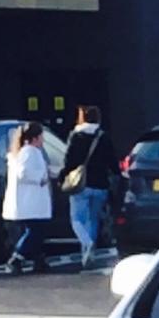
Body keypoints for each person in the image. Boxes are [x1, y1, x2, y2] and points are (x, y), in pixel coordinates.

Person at [61, 105, 112, 270]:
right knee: (93, 220)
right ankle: (87, 255)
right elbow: (112, 161)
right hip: (100, 184)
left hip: (80, 185)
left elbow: (68, 160)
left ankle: (87, 243)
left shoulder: (75, 136)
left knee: (76, 219)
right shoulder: (103, 137)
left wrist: (62, 176)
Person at [1, 121, 51, 273]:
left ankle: (38, 260)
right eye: (42, 136)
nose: (43, 139)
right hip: (31, 202)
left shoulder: (21, 152)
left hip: (27, 202)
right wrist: (41, 179)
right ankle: (16, 258)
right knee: (35, 231)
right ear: (35, 137)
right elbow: (24, 173)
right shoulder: (30, 152)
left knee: (35, 230)